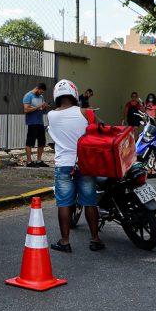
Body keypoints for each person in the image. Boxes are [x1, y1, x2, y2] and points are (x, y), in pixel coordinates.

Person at [46, 79, 104, 252]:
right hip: (85, 164)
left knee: (64, 203)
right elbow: (102, 127)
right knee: (90, 202)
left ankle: (65, 242)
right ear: (74, 93)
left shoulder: (51, 115)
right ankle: (95, 239)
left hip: (64, 165)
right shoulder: (86, 113)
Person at [22, 82, 49, 167]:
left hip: (40, 122)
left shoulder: (41, 97)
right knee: (30, 142)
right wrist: (38, 106)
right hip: (32, 122)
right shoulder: (28, 96)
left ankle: (39, 160)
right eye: (41, 92)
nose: (41, 94)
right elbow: (26, 110)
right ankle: (29, 162)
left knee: (42, 142)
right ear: (37, 88)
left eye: (42, 93)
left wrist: (44, 107)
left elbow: (41, 109)